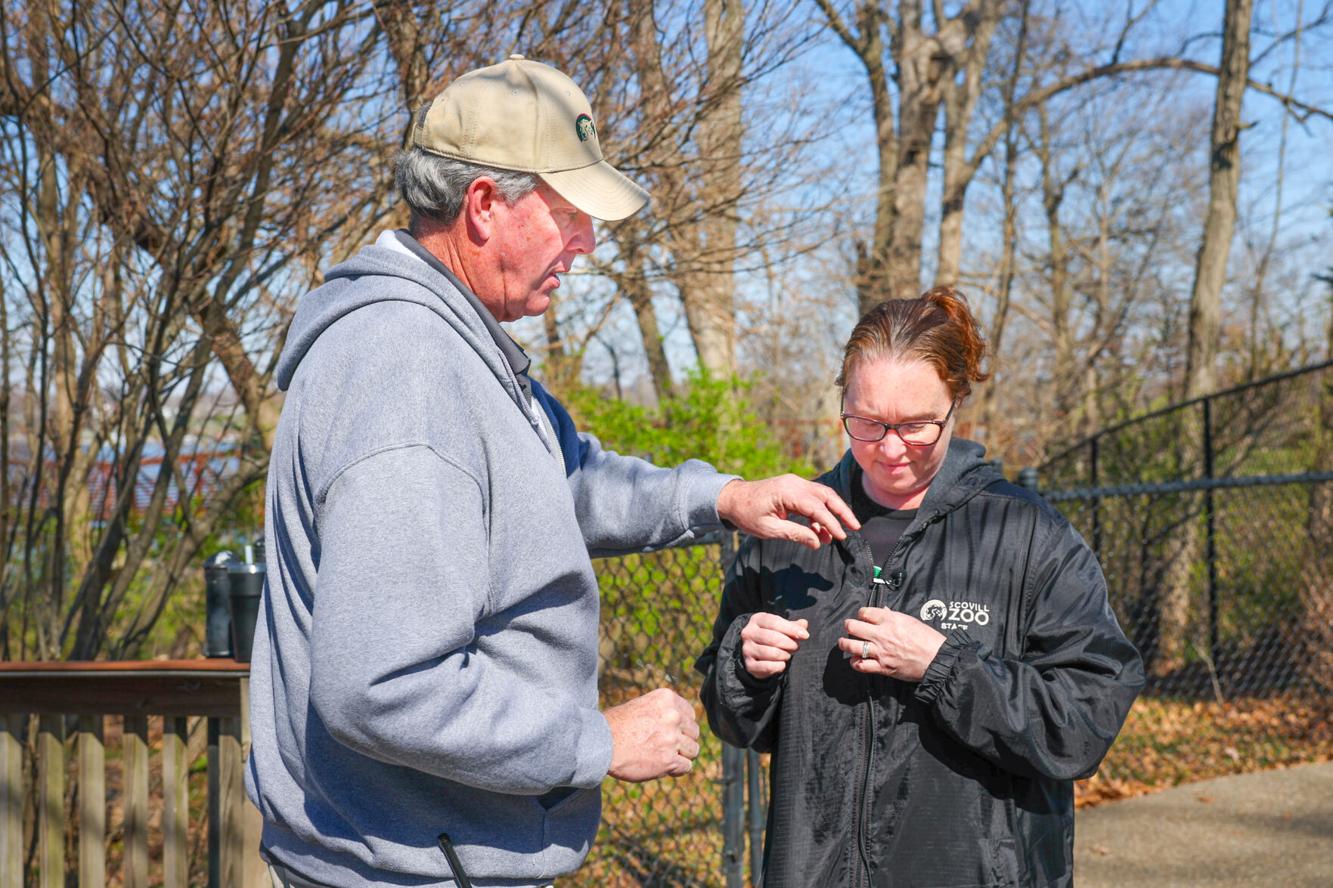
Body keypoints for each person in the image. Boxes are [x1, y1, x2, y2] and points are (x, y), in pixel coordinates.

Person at [245, 55, 858, 887]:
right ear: (483, 206)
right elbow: (382, 688)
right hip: (403, 869)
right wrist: (597, 741)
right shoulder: (406, 373)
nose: (588, 242)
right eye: (568, 213)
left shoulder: (464, 352)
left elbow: (563, 482)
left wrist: (723, 497)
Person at [698, 287, 1144, 887]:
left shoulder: (1028, 535)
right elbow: (733, 722)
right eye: (866, 422)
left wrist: (944, 667)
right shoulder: (786, 531)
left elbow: (1084, 722)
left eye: (915, 426)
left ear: (955, 403)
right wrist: (744, 668)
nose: (889, 448)